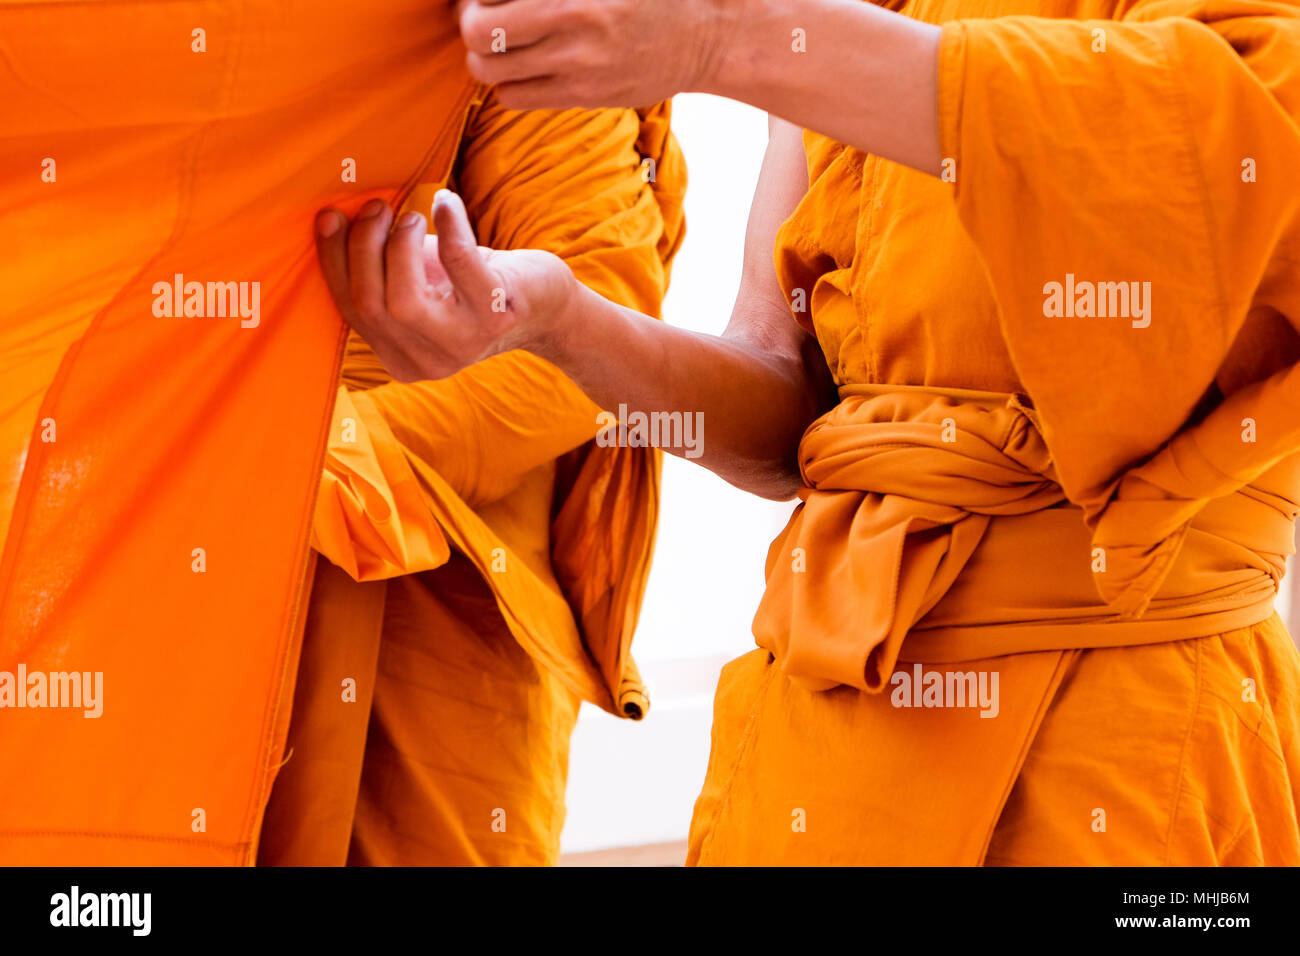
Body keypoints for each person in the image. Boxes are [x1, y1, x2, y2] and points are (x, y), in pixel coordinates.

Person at [316, 0, 1300, 864]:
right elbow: (791, 414)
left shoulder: (780, 32)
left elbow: (1230, 139)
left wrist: (724, 36)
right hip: (827, 721)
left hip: (1122, 721)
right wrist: (558, 325)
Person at [0, 0, 681, 865]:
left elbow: (587, 336)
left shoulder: (499, 21)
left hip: (402, 614)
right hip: (97, 572)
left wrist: (272, 460)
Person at [257, 93, 684, 867]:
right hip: (117, 533)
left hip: (424, 588)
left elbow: (594, 326)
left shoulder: (520, 28)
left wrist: (287, 474)